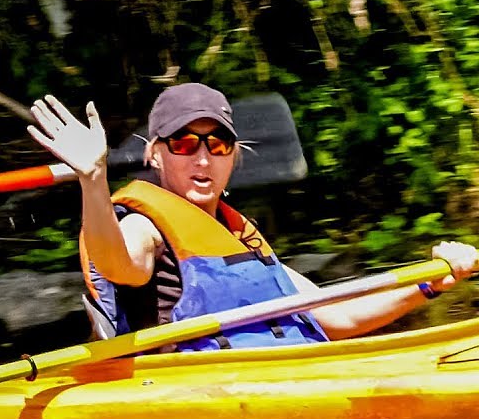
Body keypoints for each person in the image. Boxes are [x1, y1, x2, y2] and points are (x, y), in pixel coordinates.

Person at [27, 82, 476, 350]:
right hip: (188, 391)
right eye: (184, 144)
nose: (202, 160)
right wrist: (93, 180)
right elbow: (117, 263)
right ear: (156, 155)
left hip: (272, 378)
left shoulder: (241, 236)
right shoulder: (144, 226)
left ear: (233, 157)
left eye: (217, 145)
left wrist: (429, 284)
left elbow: (335, 316)